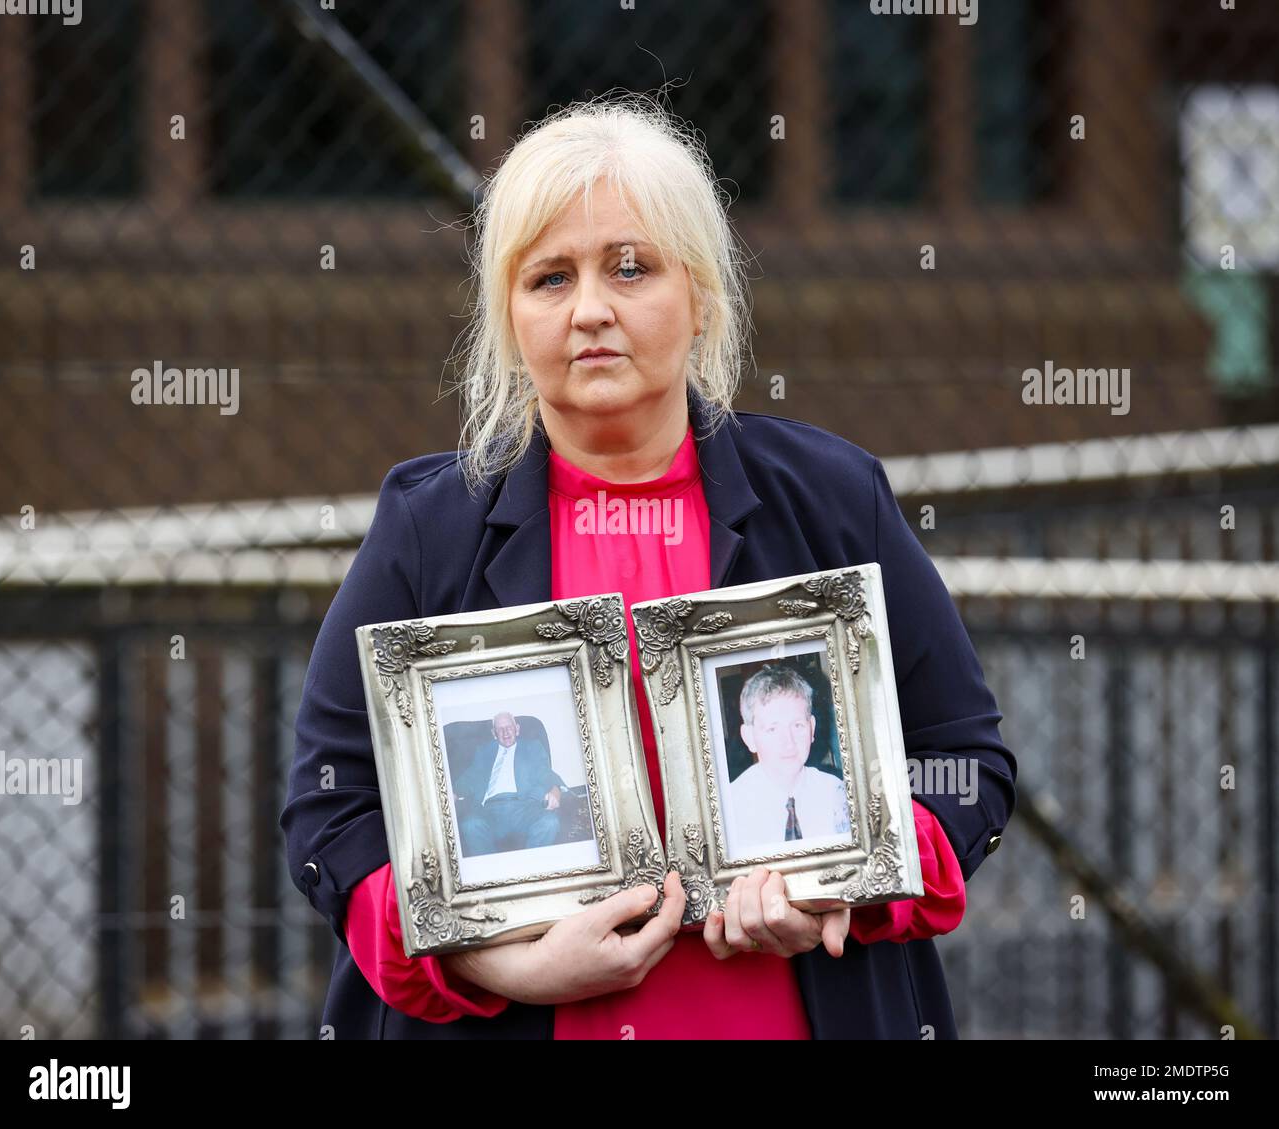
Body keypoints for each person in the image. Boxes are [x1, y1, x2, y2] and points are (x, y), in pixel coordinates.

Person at [281, 93, 1016, 1039]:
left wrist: (847, 879)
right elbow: (328, 811)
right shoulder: (427, 530)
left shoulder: (834, 497)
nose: (590, 309)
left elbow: (966, 762)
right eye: (549, 278)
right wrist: (495, 960)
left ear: (701, 294)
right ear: (508, 316)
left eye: (630, 267)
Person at [725, 665, 851, 855]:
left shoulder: (837, 795)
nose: (788, 742)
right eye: (772, 729)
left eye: (798, 725)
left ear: (812, 728)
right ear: (749, 737)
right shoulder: (730, 810)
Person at [454, 712, 565, 855]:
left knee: (549, 822)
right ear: (494, 733)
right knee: (470, 825)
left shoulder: (532, 747)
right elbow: (470, 777)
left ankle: (533, 871)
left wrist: (555, 791)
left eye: (509, 727)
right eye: (500, 729)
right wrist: (454, 793)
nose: (505, 732)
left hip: (525, 808)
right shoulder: (484, 752)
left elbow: (545, 772)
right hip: (490, 810)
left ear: (517, 729)